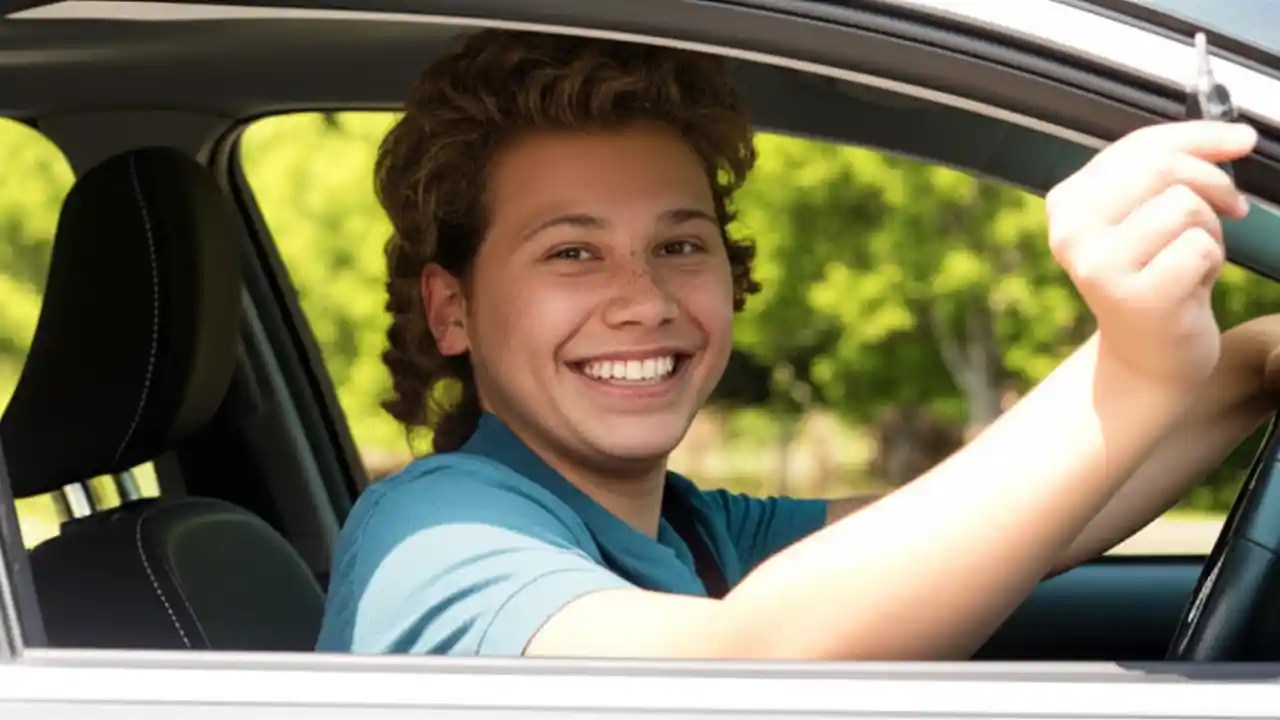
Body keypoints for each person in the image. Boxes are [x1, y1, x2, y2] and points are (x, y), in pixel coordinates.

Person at [315, 29, 1280, 660]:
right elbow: (746, 664)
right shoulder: (432, 539)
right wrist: (1135, 365)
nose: (643, 299)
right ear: (452, 311)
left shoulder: (695, 529)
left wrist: (1245, 362)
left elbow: (1017, 524)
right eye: (572, 252)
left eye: (680, 244)